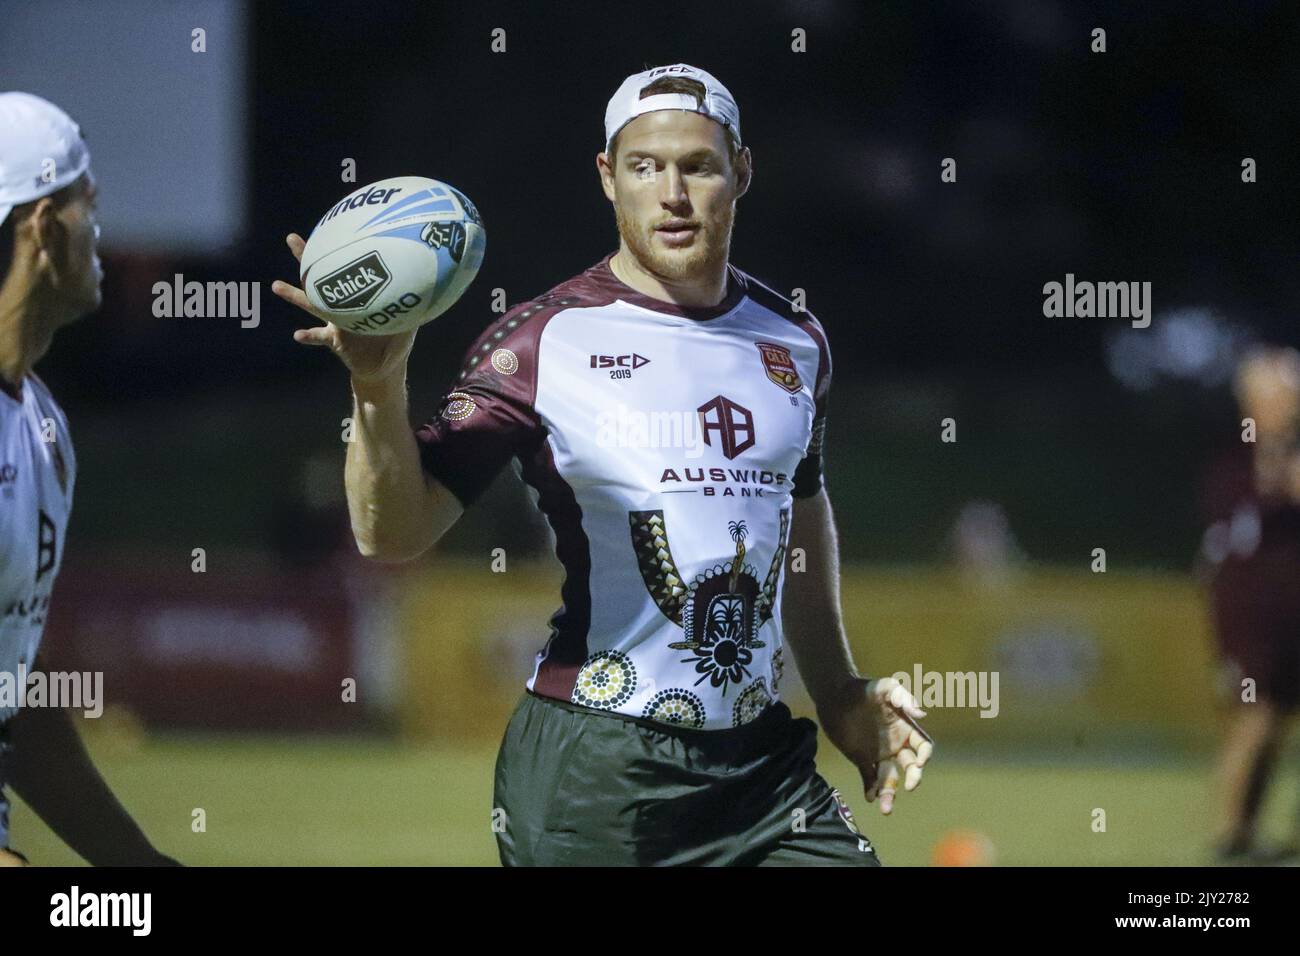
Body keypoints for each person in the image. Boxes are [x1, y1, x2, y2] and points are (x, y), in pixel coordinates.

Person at [274, 63, 932, 865]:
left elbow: (800, 509)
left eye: (698, 165)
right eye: (645, 167)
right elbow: (392, 533)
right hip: (597, 775)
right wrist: (376, 389)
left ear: (742, 172)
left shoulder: (794, 341)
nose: (673, 195)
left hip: (762, 774)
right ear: (607, 179)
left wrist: (838, 692)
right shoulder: (539, 344)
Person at [0, 92, 178, 867]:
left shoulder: (43, 427)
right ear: (42, 227)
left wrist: (139, 874)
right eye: (89, 205)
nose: (101, 233)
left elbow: (12, 702)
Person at [1200, 344, 1300, 863]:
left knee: (1279, 721)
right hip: (1252, 615)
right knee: (1255, 716)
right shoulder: (1234, 460)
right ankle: (1229, 833)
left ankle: (1252, 832)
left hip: (1291, 614)